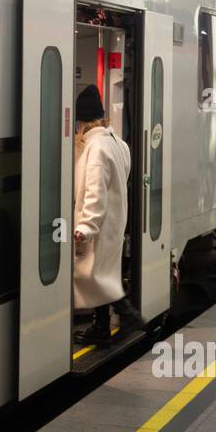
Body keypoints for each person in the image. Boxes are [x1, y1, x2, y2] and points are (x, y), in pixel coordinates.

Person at [72, 84, 138, 344]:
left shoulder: (96, 148)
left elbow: (95, 191)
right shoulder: (117, 142)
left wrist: (86, 225)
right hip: (113, 222)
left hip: (98, 224)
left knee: (94, 275)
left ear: (82, 123)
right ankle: (101, 327)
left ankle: (128, 313)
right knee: (99, 273)